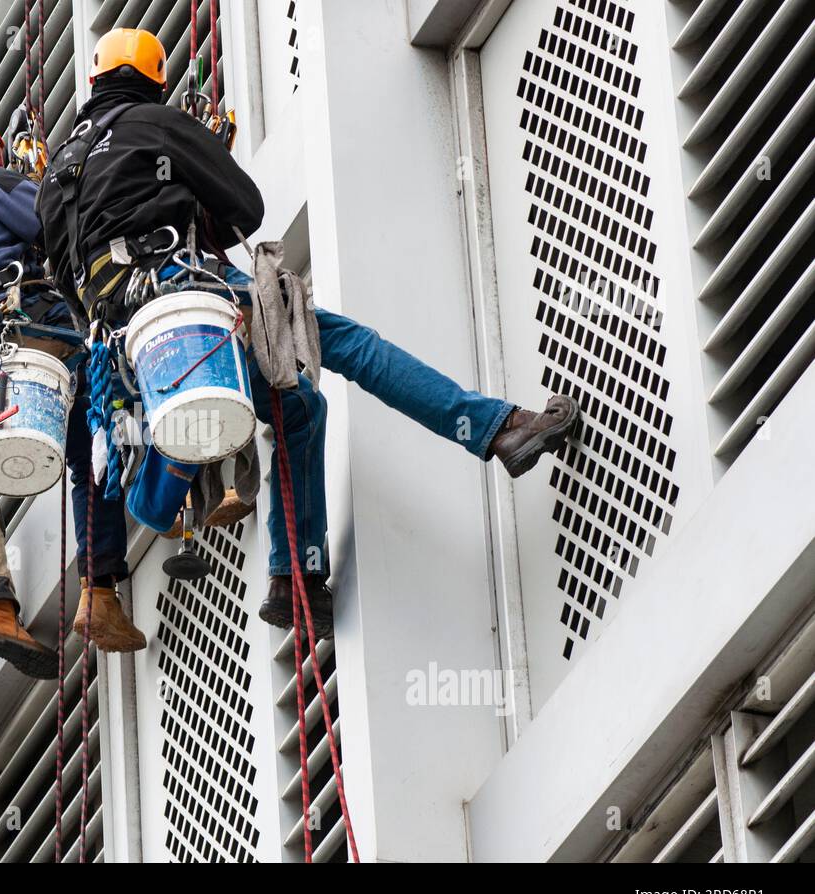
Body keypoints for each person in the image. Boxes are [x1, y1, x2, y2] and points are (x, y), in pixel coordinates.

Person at [36, 28, 581, 636]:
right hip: (184, 298)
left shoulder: (56, 175)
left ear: (93, 84)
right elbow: (246, 205)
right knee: (345, 343)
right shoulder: (155, 123)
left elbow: (64, 280)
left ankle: (294, 579)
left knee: (298, 408)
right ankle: (500, 429)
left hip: (126, 340)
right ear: (153, 80)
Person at [0, 106, 146, 653]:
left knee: (76, 452)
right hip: (31, 332)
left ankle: (88, 596)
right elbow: (53, 223)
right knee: (101, 435)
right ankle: (100, 589)